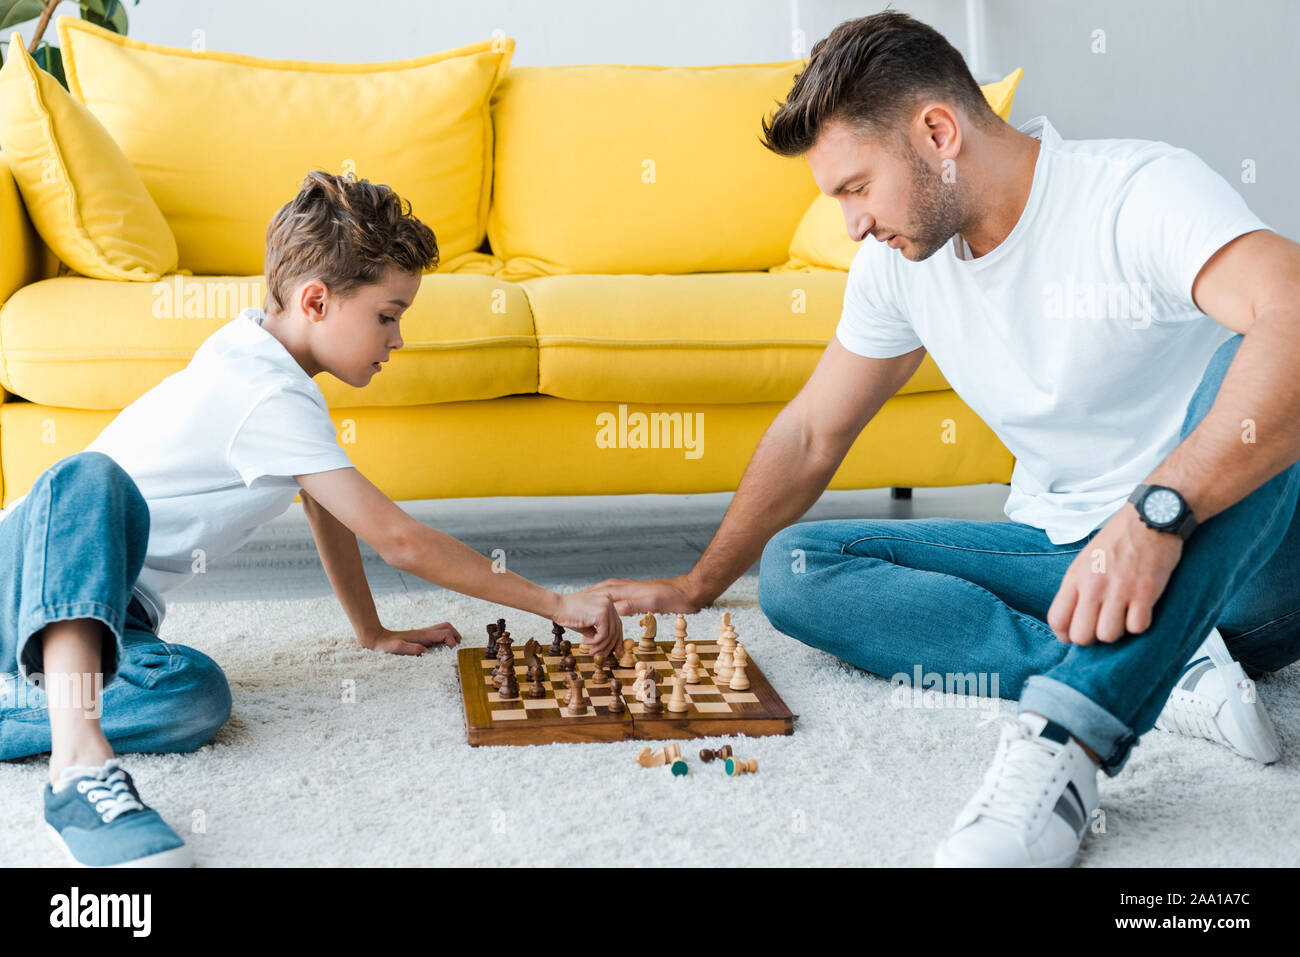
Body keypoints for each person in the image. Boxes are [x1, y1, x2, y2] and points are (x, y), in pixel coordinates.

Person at [584, 11, 1300, 867]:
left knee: (1261, 363)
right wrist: (697, 583)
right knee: (799, 566)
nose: (851, 223)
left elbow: (1293, 311)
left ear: (937, 132)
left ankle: (1069, 729)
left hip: (1239, 565)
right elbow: (812, 432)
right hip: (1069, 563)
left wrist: (1156, 515)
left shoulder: (1134, 190)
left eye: (856, 187)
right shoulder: (898, 268)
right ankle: (1164, 667)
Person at [0, 170, 623, 867]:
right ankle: (80, 768)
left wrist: (371, 630)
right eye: (388, 315)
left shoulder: (266, 363)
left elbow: (327, 507)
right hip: (29, 577)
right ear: (316, 301)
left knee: (194, 697)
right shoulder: (261, 388)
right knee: (89, 477)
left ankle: (34, 694)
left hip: (111, 621)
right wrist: (556, 603)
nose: (398, 339)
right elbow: (400, 540)